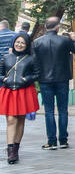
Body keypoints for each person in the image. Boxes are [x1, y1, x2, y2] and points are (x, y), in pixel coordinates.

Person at [32, 17, 75, 151]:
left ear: (45, 26)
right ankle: (63, 140)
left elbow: (35, 62)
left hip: (44, 80)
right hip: (62, 79)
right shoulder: (65, 41)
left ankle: (51, 141)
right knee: (63, 110)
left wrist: (38, 76)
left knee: (49, 111)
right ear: (57, 27)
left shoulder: (37, 42)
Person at [0, 32, 40, 164]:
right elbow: (0, 74)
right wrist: (4, 78)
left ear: (27, 45)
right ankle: (10, 150)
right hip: (9, 91)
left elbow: (37, 74)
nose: (19, 44)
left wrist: (26, 79)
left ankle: (15, 148)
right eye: (17, 42)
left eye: (23, 43)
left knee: (21, 120)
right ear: (13, 43)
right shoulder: (6, 58)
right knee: (11, 120)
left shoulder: (31, 58)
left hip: (24, 91)